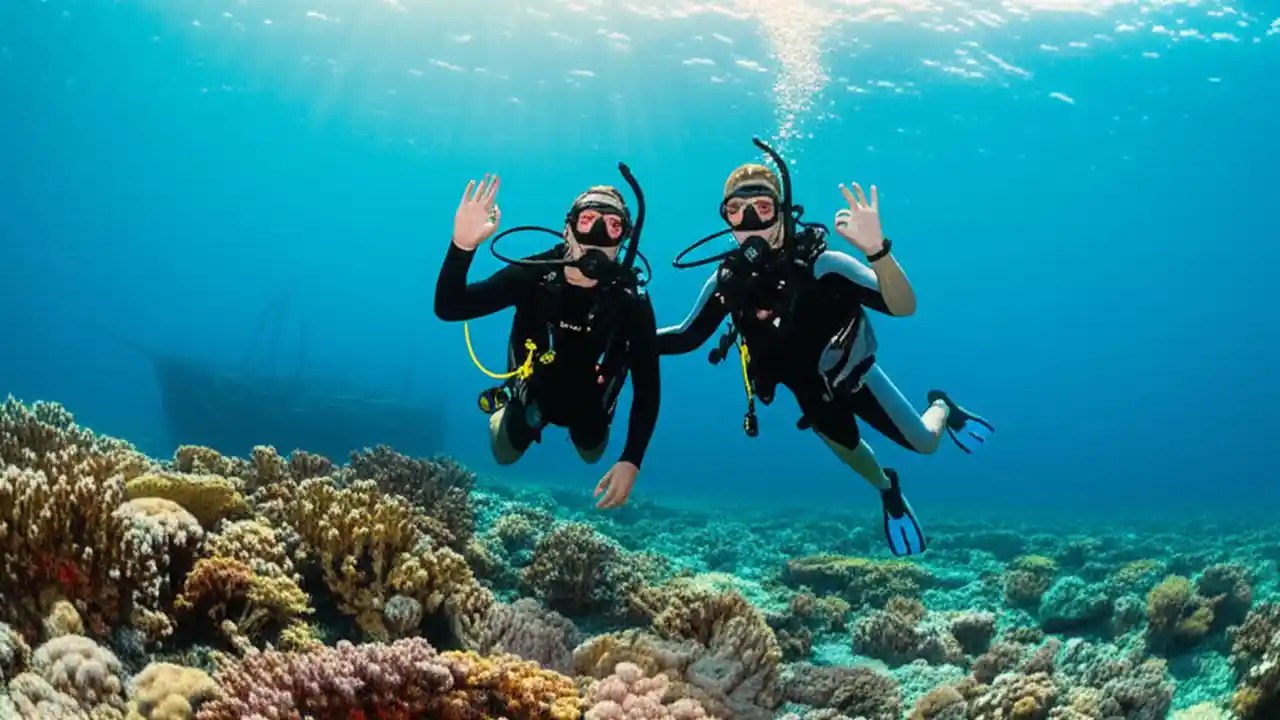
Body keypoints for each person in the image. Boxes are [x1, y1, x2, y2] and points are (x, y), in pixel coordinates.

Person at [658, 138, 994, 556]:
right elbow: (685, 336)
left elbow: (902, 306)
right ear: (725, 218)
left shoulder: (823, 264)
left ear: (782, 213)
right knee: (861, 461)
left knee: (926, 443)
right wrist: (620, 341)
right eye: (736, 211)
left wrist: (877, 251)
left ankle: (943, 406)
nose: (750, 222)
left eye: (762, 208)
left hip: (856, 377)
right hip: (811, 398)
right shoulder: (728, 283)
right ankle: (889, 490)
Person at [434, 170, 659, 510]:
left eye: (613, 226)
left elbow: (648, 386)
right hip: (531, 393)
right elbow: (450, 307)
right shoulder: (533, 275)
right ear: (568, 228)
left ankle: (590, 426)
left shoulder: (630, 299)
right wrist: (462, 246)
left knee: (591, 451)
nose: (598, 236)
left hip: (591, 401)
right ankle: (508, 406)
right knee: (505, 454)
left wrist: (631, 460)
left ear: (624, 239)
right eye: (588, 220)